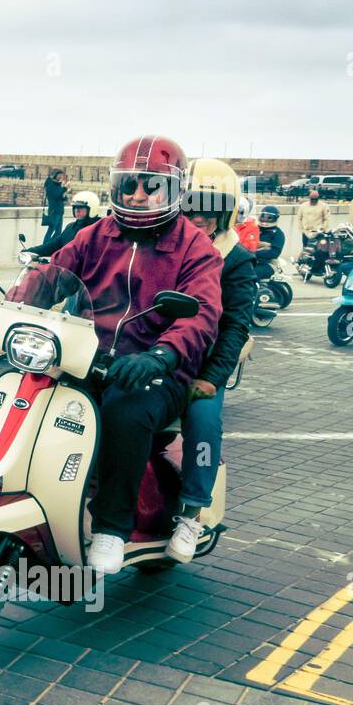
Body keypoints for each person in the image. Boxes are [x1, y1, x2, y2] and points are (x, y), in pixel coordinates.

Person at [49, 135, 223, 575]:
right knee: (40, 391)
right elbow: (52, 275)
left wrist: (162, 354)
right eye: (130, 186)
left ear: (174, 191)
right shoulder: (96, 236)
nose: (138, 195)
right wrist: (5, 310)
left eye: (151, 186)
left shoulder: (193, 246)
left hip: (159, 369)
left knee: (125, 410)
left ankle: (111, 527)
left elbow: (201, 314)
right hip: (90, 355)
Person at [175, 158, 255, 562]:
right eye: (191, 205)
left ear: (227, 210)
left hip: (203, 364)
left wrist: (211, 378)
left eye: (210, 207)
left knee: (203, 423)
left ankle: (192, 511)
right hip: (156, 357)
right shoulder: (164, 244)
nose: (199, 216)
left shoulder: (236, 259)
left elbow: (236, 325)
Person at [26, 189, 103, 257]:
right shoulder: (71, 227)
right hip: (67, 270)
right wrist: (31, 251)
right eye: (75, 208)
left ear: (91, 209)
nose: (77, 211)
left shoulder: (98, 229)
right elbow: (54, 245)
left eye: (80, 208)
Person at [299, 187, 334, 275]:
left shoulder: (323, 206)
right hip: (307, 232)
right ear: (309, 198)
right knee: (306, 249)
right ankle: (302, 265)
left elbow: (327, 219)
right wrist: (302, 230)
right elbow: (299, 219)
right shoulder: (303, 206)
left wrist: (323, 229)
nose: (314, 200)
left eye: (316, 199)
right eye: (312, 199)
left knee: (319, 250)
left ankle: (317, 267)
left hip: (318, 232)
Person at [253, 205, 286, 280]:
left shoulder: (278, 234)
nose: (265, 219)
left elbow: (274, 252)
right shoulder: (254, 229)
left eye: (269, 217)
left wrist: (253, 253)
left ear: (275, 218)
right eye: (263, 216)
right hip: (250, 260)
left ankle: (251, 291)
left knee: (253, 273)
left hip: (268, 263)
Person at [42, 169, 68, 244]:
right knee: (51, 230)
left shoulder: (58, 185)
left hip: (60, 211)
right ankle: (45, 245)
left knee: (58, 231)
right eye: (60, 175)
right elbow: (55, 196)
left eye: (62, 176)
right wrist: (64, 188)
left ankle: (51, 245)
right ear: (55, 175)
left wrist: (64, 196)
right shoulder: (50, 185)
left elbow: (60, 197)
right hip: (54, 211)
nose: (61, 177)